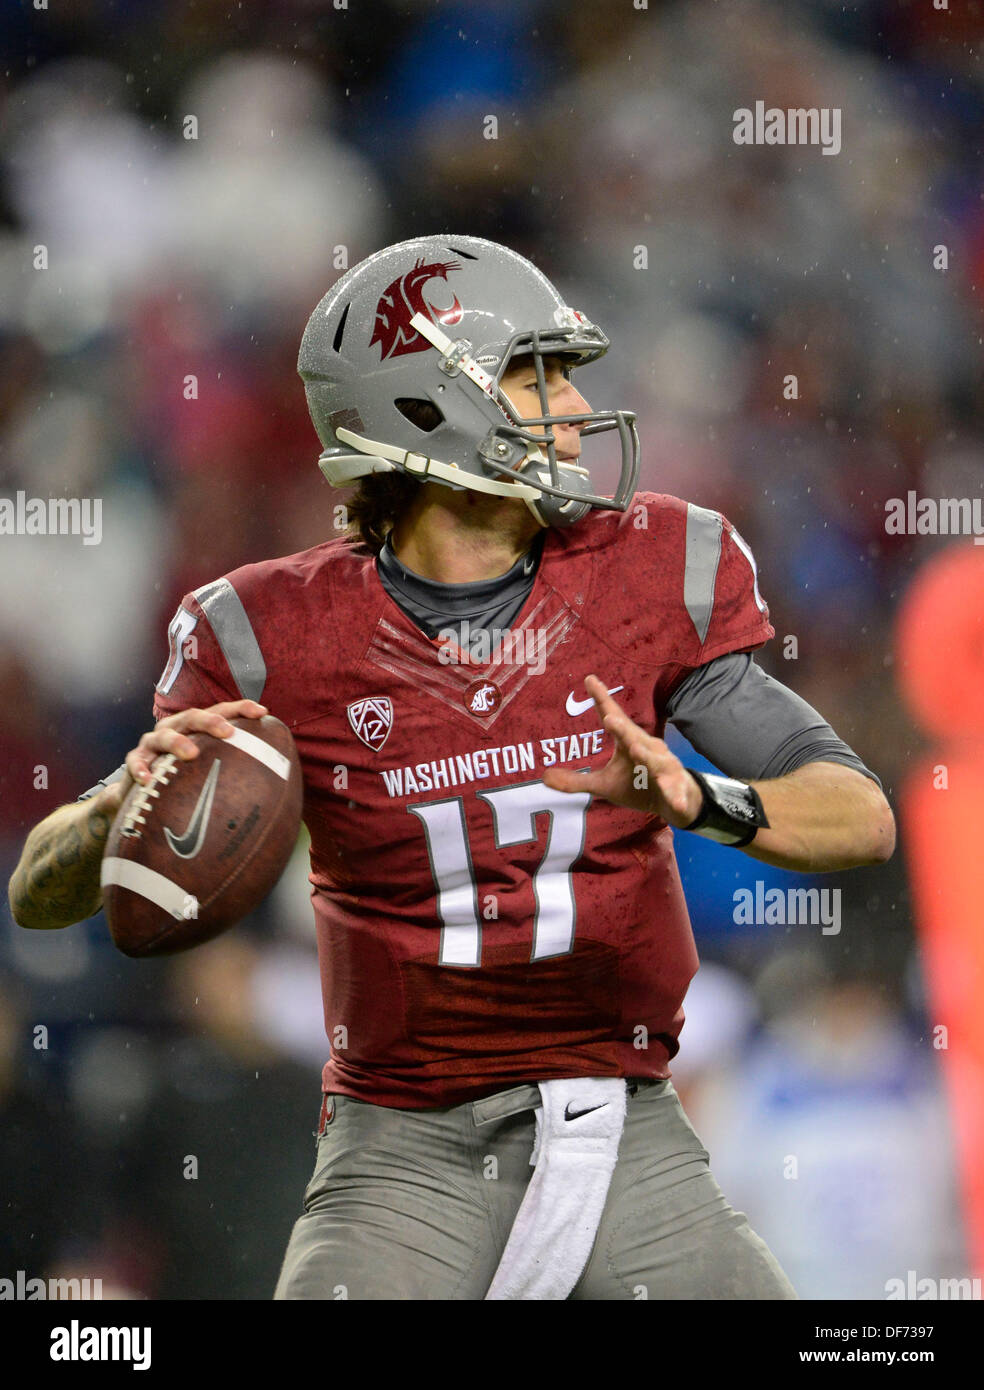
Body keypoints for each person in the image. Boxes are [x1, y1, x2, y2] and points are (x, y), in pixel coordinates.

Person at [9, 234, 895, 1300]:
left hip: (629, 1125)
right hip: (405, 1148)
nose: (572, 407)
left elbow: (858, 814)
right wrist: (117, 812)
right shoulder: (267, 630)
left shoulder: (650, 569)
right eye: (536, 374)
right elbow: (38, 892)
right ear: (424, 406)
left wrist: (701, 797)